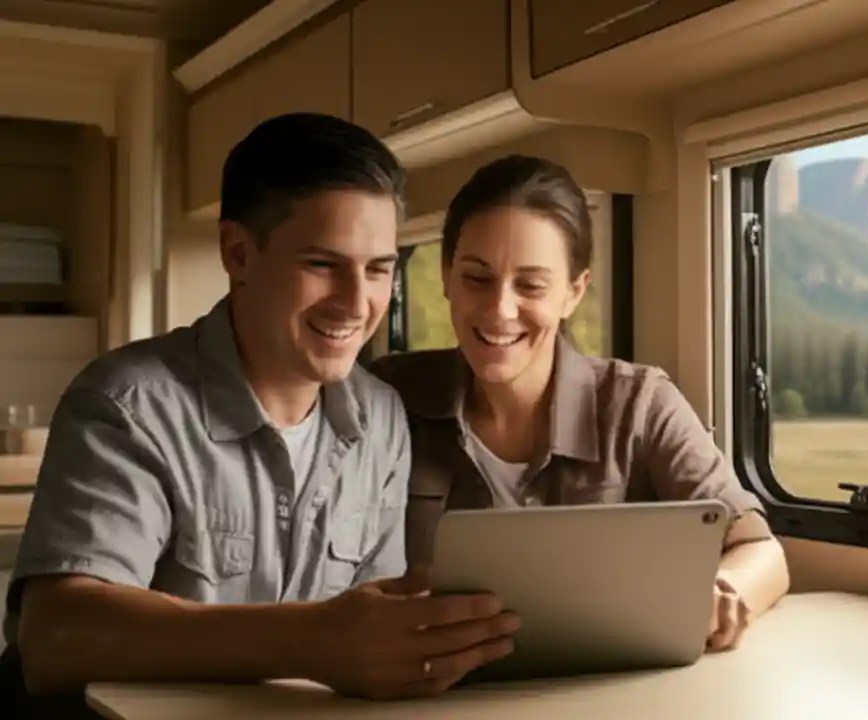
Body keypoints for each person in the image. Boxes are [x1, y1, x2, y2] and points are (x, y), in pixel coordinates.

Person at [0, 113, 518, 716]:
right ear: (239, 253)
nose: (357, 303)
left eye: (379, 269)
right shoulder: (128, 404)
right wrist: (314, 641)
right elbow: (54, 637)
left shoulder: (382, 420)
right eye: (323, 264)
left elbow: (371, 630)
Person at [372, 154, 791, 653]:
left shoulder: (640, 404)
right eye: (476, 278)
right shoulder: (385, 397)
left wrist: (722, 594)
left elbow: (761, 549)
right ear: (445, 276)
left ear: (574, 292)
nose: (499, 310)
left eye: (531, 285)